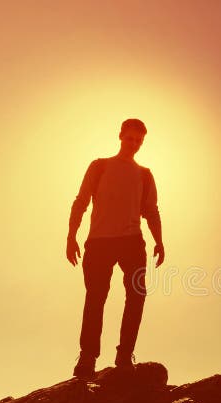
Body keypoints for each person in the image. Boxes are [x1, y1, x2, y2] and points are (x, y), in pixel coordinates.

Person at [65, 118, 165, 380]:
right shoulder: (100, 167)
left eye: (139, 141)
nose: (134, 144)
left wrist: (160, 241)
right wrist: (71, 236)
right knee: (95, 298)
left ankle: (124, 355)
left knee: (137, 295)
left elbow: (151, 212)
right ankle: (88, 358)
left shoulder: (145, 175)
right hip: (99, 242)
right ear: (120, 136)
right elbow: (81, 201)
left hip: (132, 242)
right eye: (130, 138)